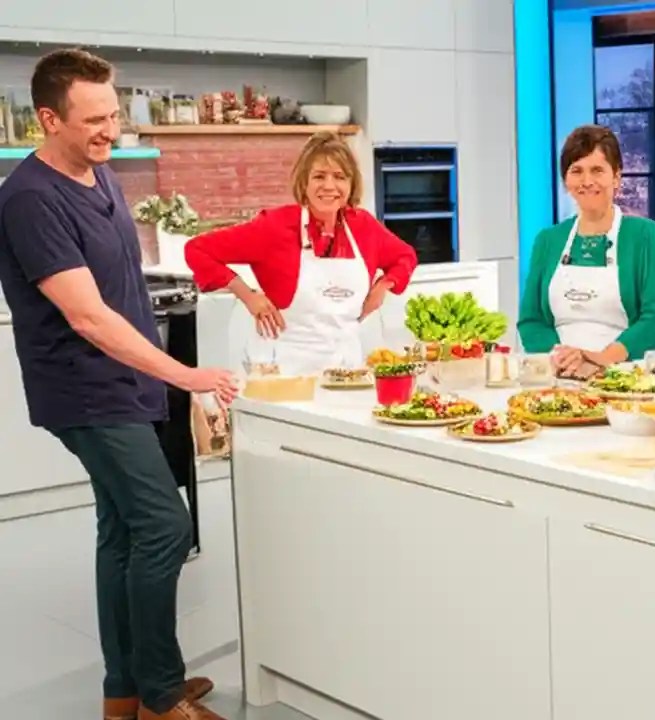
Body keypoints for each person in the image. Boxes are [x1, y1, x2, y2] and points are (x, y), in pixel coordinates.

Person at [0, 49, 237, 720]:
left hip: (123, 383)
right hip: (84, 390)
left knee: (124, 532)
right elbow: (86, 315)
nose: (112, 130)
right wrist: (187, 375)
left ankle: (124, 691)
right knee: (164, 525)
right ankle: (162, 695)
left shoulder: (97, 173)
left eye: (115, 115)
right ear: (48, 118)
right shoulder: (27, 200)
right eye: (95, 120)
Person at [184, 132, 418, 374]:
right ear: (304, 183)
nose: (329, 186)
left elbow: (405, 256)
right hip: (283, 372)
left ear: (351, 185)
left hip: (348, 373)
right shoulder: (275, 227)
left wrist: (383, 286)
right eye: (319, 176)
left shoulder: (363, 226)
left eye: (339, 177)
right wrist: (248, 295)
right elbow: (198, 250)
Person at [518, 124, 655, 378]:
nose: (587, 181)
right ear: (565, 180)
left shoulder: (646, 236)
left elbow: (654, 319)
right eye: (576, 171)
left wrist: (599, 361)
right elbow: (531, 320)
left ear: (616, 177)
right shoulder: (547, 240)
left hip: (625, 377)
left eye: (597, 170)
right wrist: (565, 359)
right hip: (558, 377)